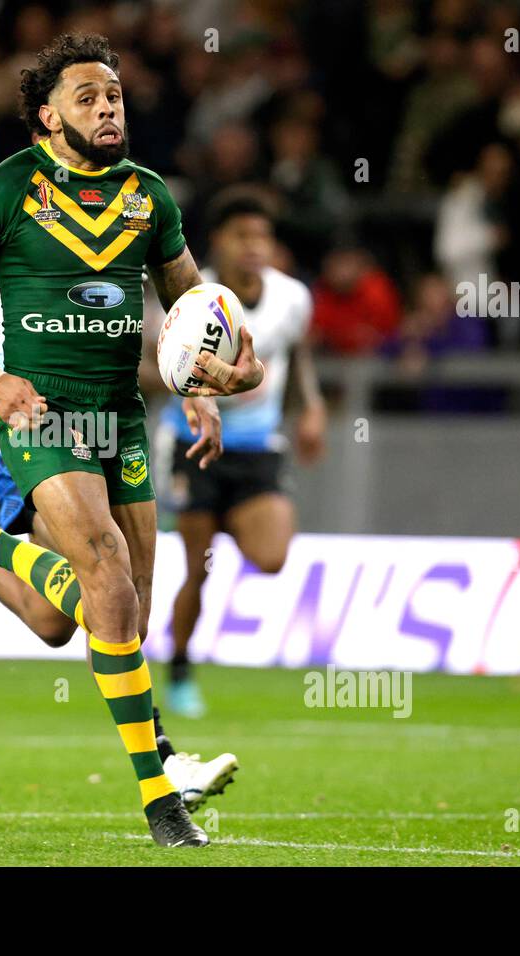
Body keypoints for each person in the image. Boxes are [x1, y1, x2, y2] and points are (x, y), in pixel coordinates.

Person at [0, 34, 264, 848]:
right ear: (49, 116)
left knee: (91, 620)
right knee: (107, 580)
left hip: (118, 415)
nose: (108, 107)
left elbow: (188, 297)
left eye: (114, 95)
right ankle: (162, 798)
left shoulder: (149, 197)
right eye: (88, 97)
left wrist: (212, 378)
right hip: (32, 412)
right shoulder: (0, 191)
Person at [159, 188, 327, 717]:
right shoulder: (194, 295)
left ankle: (225, 515)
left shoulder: (293, 297)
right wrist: (198, 384)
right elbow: (152, 364)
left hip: (257, 447)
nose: (255, 246)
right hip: (194, 444)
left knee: (273, 556)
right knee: (198, 570)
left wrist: (312, 408)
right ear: (219, 242)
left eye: (263, 236)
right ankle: (180, 670)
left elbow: (296, 355)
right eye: (242, 236)